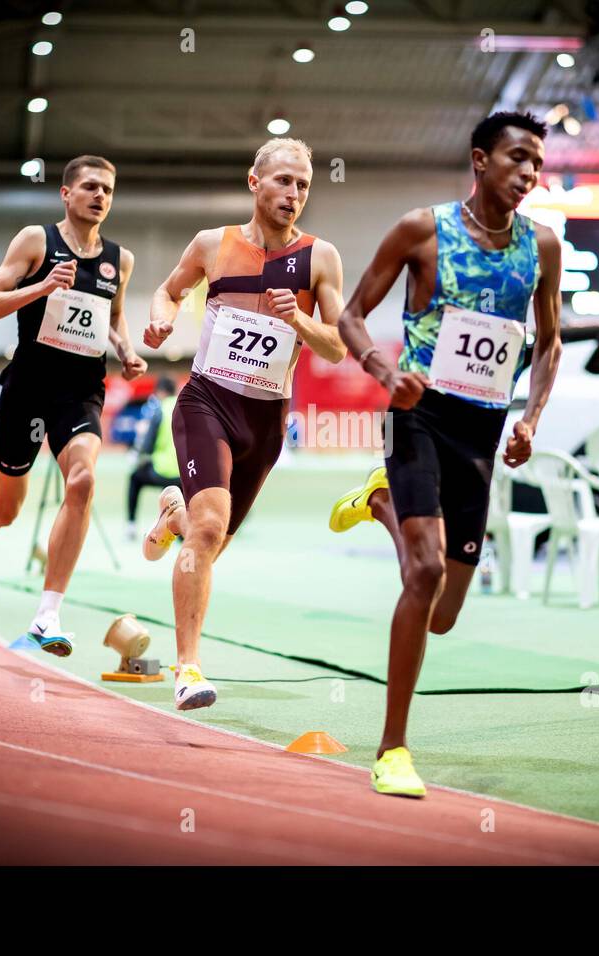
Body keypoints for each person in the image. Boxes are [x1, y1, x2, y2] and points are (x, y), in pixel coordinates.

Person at [329, 111, 564, 796]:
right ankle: (393, 748)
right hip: (418, 415)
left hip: (484, 432)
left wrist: (531, 418)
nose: (528, 174)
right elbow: (350, 314)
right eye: (517, 158)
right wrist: (382, 371)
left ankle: (379, 502)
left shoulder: (543, 247)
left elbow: (548, 342)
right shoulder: (421, 230)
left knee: (444, 611)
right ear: (480, 159)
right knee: (424, 569)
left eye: (538, 166)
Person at [142, 137, 347, 710]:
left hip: (266, 420)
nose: (294, 194)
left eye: (303, 184)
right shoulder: (214, 244)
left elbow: (335, 348)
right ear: (255, 182)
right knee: (209, 532)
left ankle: (171, 518)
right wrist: (160, 322)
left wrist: (300, 319)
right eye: (283, 181)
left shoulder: (320, 258)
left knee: (206, 542)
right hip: (207, 400)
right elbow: (168, 291)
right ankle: (187, 669)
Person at [0, 155, 145, 656]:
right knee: (7, 510)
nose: (100, 196)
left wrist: (127, 350)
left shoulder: (119, 259)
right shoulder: (35, 241)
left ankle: (48, 614)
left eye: (107, 189)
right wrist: (41, 286)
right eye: (89, 187)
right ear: (66, 194)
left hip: (81, 390)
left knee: (83, 481)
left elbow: (114, 315)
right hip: (28, 388)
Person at [126, 376, 180, 538]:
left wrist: (136, 456)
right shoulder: (184, 406)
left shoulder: (159, 409)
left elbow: (147, 447)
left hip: (161, 471)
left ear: (160, 392)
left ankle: (131, 525)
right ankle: (181, 529)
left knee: (135, 478)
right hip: (186, 475)